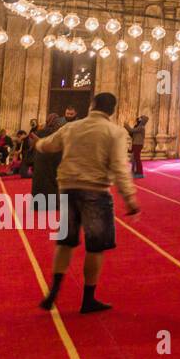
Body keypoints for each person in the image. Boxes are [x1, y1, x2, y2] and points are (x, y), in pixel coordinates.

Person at [36, 91, 140, 313]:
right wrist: (129, 197)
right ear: (111, 110)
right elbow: (120, 167)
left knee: (65, 242)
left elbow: (47, 146)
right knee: (95, 247)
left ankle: (54, 291)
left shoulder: (72, 127)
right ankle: (88, 299)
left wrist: (37, 143)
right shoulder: (115, 132)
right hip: (96, 192)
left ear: (92, 105)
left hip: (67, 189)